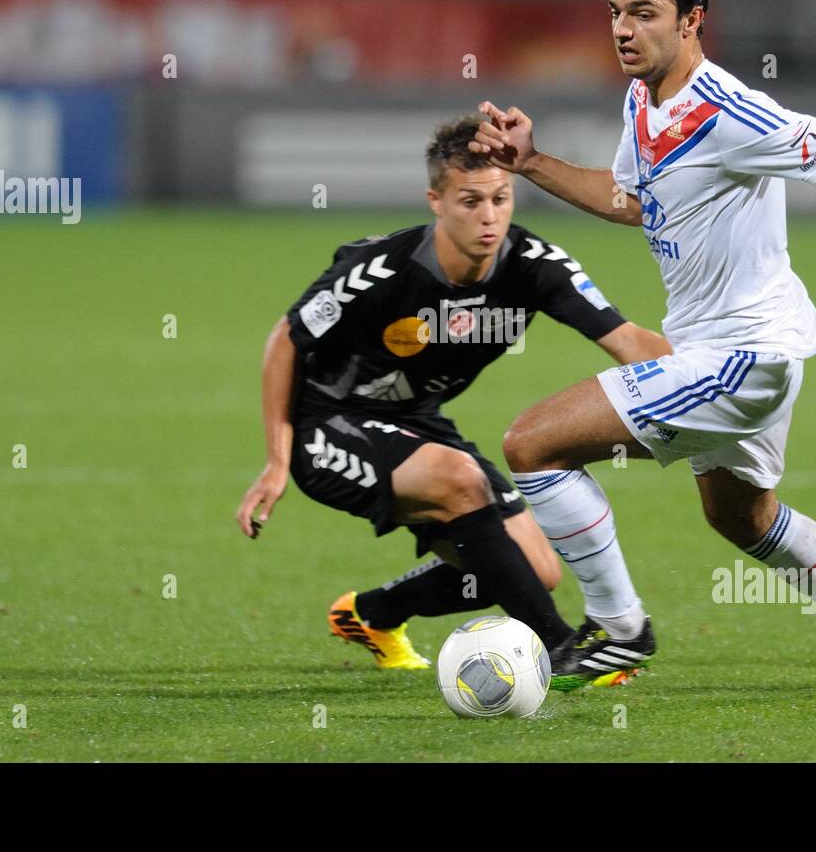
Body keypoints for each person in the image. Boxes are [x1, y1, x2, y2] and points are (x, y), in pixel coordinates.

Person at [470, 0, 816, 689]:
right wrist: (531, 164)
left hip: (742, 358)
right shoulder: (642, 98)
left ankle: (620, 629)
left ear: (692, 19)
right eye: (616, 11)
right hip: (724, 347)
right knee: (742, 519)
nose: (623, 28)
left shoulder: (729, 111)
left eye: (645, 12)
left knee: (531, 445)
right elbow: (633, 201)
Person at [235, 116, 669, 686]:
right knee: (461, 481)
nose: (489, 217)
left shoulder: (534, 267)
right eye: (470, 201)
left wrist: (715, 379)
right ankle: (561, 649)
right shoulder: (382, 270)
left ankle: (371, 614)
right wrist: (275, 459)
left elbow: (629, 341)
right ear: (436, 200)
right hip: (328, 423)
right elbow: (286, 339)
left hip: (417, 423)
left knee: (533, 571)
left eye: (500, 198)